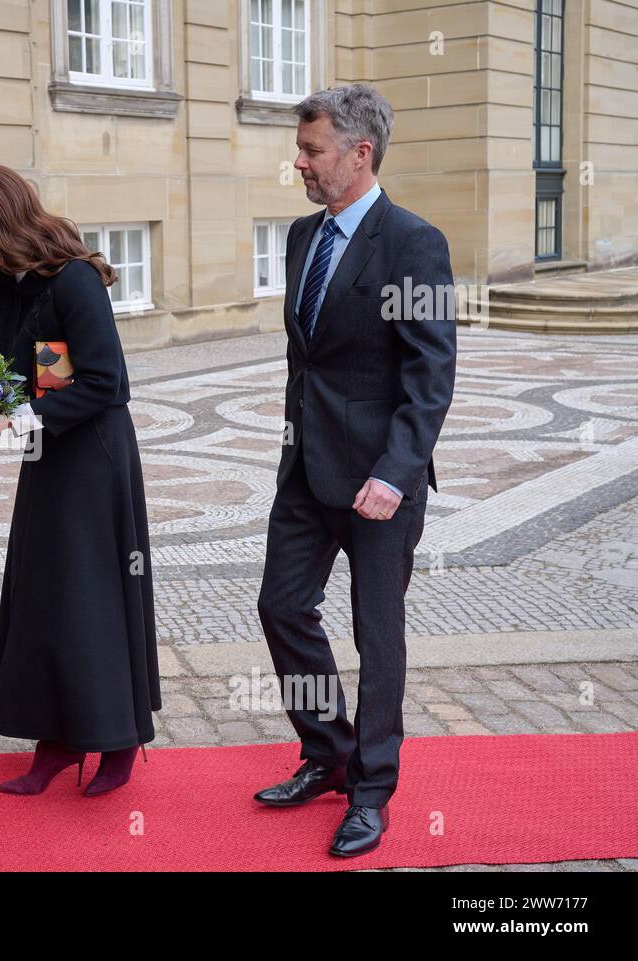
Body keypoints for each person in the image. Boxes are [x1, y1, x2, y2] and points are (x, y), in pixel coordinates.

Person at [253, 84, 456, 857]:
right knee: (281, 607)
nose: (299, 162)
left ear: (359, 153)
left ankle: (371, 791)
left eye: (312, 150)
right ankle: (328, 750)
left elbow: (430, 375)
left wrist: (396, 472)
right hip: (306, 470)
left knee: (378, 638)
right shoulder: (302, 237)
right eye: (301, 149)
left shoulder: (414, 243)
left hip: (380, 483)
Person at [0, 164, 160, 797]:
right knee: (44, 591)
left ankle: (118, 739)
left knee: (91, 596)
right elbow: (4, 366)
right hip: (46, 452)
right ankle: (56, 739)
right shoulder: (5, 281)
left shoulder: (76, 280)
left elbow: (107, 382)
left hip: (93, 453)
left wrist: (20, 417)